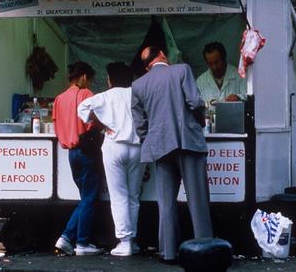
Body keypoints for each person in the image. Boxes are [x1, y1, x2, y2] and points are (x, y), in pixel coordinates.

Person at [131, 46, 213, 264]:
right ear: (163, 55)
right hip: (188, 142)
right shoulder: (182, 70)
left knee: (165, 202)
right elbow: (195, 102)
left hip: (160, 146)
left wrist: (151, 138)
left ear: (147, 65)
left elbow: (139, 124)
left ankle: (168, 252)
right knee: (197, 200)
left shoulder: (138, 85)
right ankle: (204, 249)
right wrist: (199, 122)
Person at [78, 62, 144, 257]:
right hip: (138, 147)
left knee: (119, 196)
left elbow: (82, 109)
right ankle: (132, 241)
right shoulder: (138, 94)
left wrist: (100, 124)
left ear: (109, 79)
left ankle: (124, 242)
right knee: (133, 196)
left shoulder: (104, 97)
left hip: (114, 146)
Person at [53, 62, 103, 256]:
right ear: (83, 77)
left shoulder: (58, 99)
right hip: (87, 152)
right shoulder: (87, 95)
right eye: (88, 79)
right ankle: (80, 242)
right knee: (89, 198)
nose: (88, 83)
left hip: (71, 154)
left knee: (85, 198)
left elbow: (57, 127)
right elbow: (95, 122)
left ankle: (67, 239)